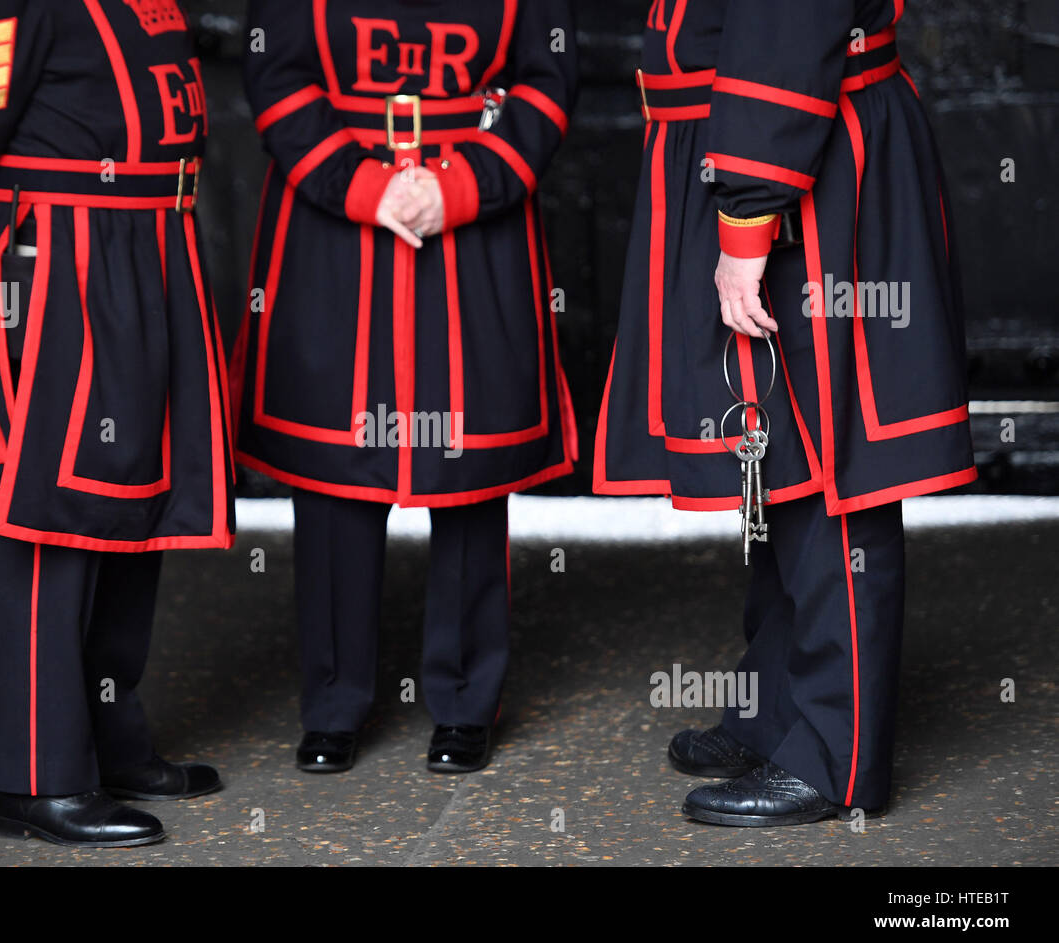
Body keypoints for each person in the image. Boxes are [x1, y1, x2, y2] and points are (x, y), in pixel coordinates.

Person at [595, 0, 976, 825]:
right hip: (756, 153)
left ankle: (833, 760)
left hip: (801, 166)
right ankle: (778, 714)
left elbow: (786, 30)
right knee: (774, 453)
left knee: (828, 456)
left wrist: (745, 222)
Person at [0, 0, 235, 846]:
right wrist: (11, 260)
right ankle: (36, 779)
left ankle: (111, 744)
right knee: (54, 520)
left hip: (152, 249)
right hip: (63, 269)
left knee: (128, 505)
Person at [231, 0, 579, 773]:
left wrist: (459, 187)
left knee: (469, 471)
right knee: (332, 474)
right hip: (332, 219)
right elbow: (276, 70)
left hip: (478, 223)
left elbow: (546, 81)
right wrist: (360, 184)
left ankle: (464, 703)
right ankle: (333, 701)